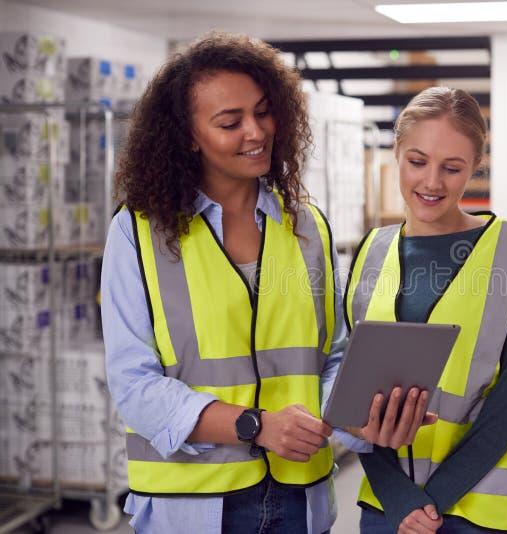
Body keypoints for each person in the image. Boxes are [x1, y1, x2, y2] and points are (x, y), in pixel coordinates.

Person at [101, 32, 429, 534]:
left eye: (263, 112)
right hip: (193, 504)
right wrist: (254, 426)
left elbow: (330, 358)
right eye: (230, 122)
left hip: (300, 498)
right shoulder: (139, 233)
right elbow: (134, 385)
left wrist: (359, 416)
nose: (255, 132)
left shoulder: (307, 227)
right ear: (188, 135)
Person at [344, 86, 507, 533]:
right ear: (396, 152)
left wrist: (429, 504)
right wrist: (399, 499)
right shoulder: (372, 252)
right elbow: (356, 395)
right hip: (389, 508)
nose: (431, 182)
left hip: (482, 513)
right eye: (417, 161)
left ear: (476, 165)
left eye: (452, 168)